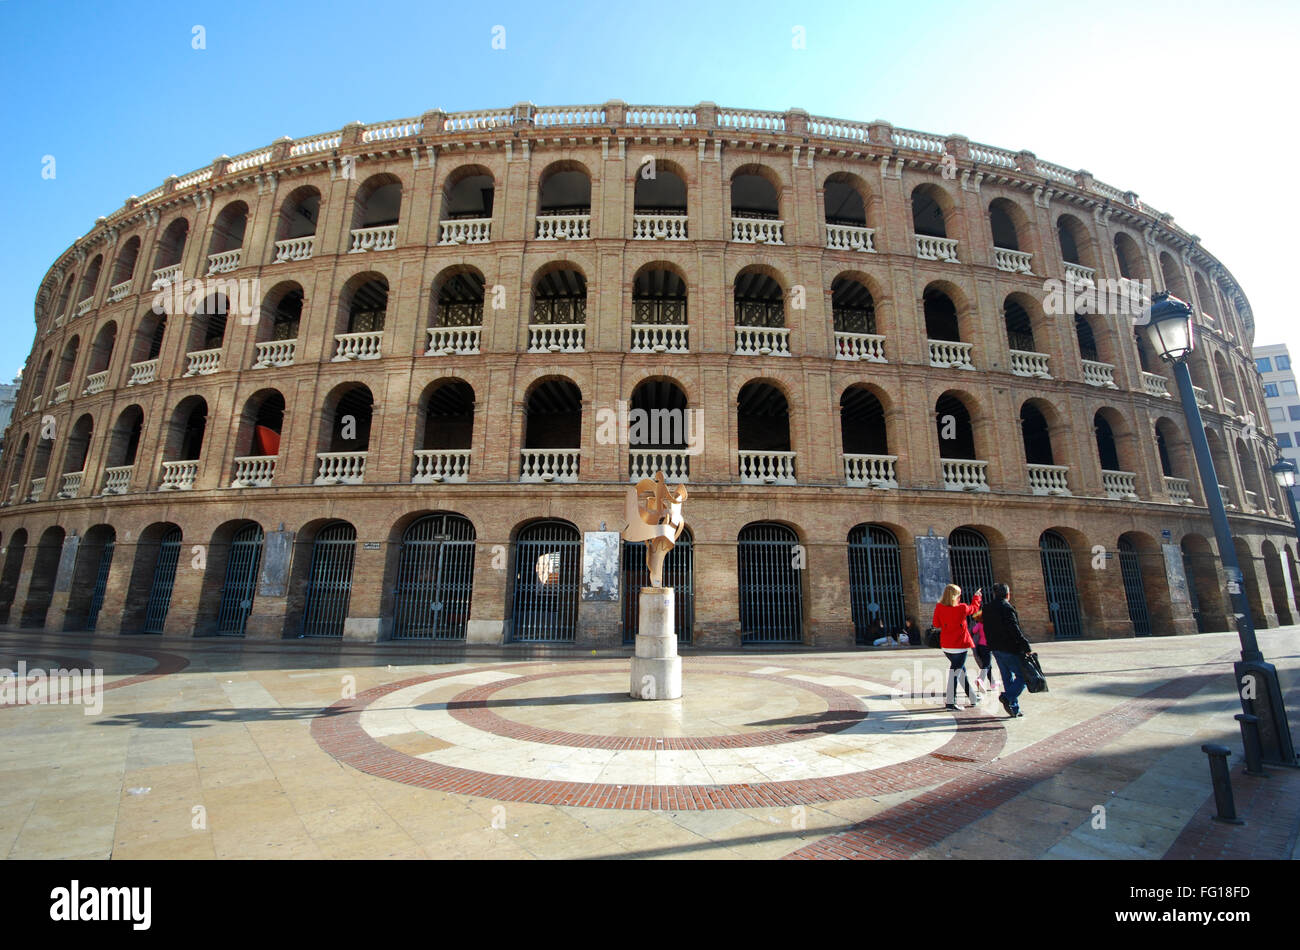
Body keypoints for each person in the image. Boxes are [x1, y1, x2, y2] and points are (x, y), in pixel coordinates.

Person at [979, 583, 1033, 718]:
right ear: (1008, 595)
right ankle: (1008, 697)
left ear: (994, 594)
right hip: (1009, 648)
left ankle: (1014, 708)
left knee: (1007, 677)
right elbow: (1015, 629)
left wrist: (990, 645)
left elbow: (987, 629)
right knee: (1024, 676)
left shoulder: (987, 608)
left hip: (995, 648)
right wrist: (1026, 646)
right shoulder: (1007, 608)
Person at [931, 583, 981, 710]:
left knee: (960, 670)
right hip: (959, 644)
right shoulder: (962, 608)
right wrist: (977, 597)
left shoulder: (939, 607)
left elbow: (936, 624)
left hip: (946, 645)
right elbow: (974, 609)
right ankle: (950, 702)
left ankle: (973, 697)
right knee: (955, 673)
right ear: (956, 595)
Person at [968, 611, 996, 693]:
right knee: (986, 665)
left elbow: (972, 631)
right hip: (988, 647)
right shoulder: (991, 626)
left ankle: (993, 683)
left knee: (988, 665)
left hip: (980, 647)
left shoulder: (979, 625)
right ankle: (980, 680)